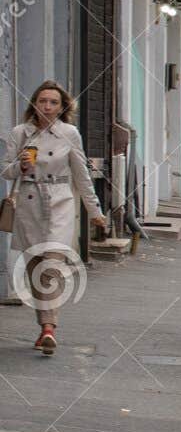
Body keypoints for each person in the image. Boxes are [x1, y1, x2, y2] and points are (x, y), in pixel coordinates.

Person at [3, 81, 108, 355]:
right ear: (34, 105)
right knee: (35, 267)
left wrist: (95, 212)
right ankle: (44, 327)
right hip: (29, 203)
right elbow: (6, 171)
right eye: (42, 101)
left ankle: (49, 328)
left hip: (60, 202)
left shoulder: (69, 134)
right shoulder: (19, 133)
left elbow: (82, 175)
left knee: (52, 264)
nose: (47, 106)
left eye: (53, 102)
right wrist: (21, 165)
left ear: (62, 108)